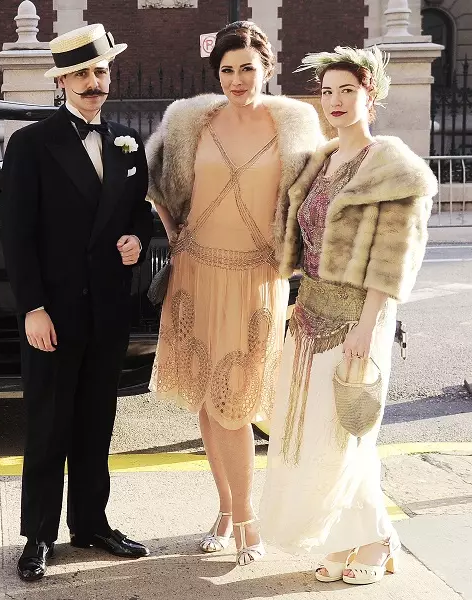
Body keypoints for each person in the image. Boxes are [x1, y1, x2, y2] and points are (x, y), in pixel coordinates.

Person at [145, 21, 323, 566]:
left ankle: (246, 518)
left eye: (247, 68)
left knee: (236, 403)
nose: (237, 79)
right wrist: (173, 233)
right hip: (195, 272)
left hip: (256, 280)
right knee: (206, 394)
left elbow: (315, 202)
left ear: (267, 67)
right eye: (227, 70)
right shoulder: (190, 121)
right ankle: (226, 510)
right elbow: (154, 183)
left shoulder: (296, 124)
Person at [259, 46, 437, 585]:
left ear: (371, 97)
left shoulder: (393, 167)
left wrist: (366, 327)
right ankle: (354, 536)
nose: (335, 101)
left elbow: (395, 255)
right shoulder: (318, 160)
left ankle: (375, 537)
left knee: (346, 433)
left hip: (360, 316)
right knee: (314, 434)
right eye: (328, 91)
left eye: (348, 91)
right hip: (310, 311)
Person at [0, 23, 154, 582]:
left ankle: (91, 525)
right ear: (62, 80)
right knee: (49, 425)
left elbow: (139, 212)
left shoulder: (128, 141)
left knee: (96, 423)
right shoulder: (32, 144)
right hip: (54, 314)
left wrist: (139, 238)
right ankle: (38, 535)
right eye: (84, 73)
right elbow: (15, 236)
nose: (95, 82)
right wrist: (32, 308)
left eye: (101, 71)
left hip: (108, 310)